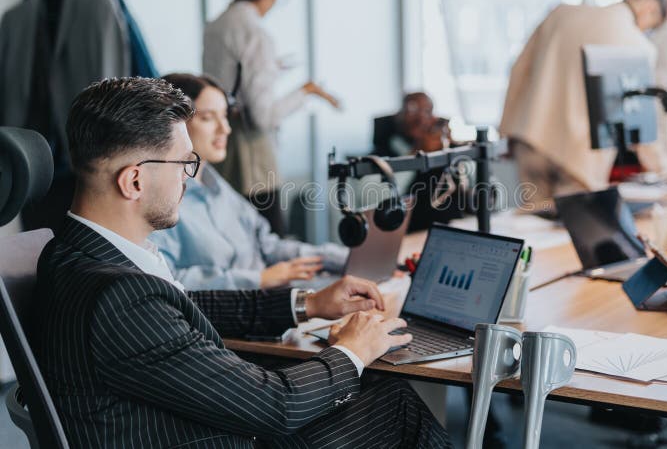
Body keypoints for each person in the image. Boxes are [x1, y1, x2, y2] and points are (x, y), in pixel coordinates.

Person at [30, 76, 452, 448]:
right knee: (395, 404)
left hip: (189, 423)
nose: (190, 177)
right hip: (218, 436)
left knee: (374, 393)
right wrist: (353, 350)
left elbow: (185, 311)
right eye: (184, 164)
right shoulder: (119, 296)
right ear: (134, 180)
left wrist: (306, 304)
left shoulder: (72, 252)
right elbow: (276, 407)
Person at [150, 73, 347, 290]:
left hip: (274, 297)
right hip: (243, 311)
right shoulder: (161, 203)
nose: (225, 129)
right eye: (208, 117)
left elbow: (268, 246)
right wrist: (260, 279)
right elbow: (168, 280)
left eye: (224, 116)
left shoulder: (219, 189)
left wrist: (342, 259)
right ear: (174, 125)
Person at [203, 0, 339, 237]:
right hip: (252, 163)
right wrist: (305, 92)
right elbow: (263, 116)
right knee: (269, 249)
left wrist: (270, 68)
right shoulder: (256, 33)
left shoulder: (217, 24)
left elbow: (226, 80)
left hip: (221, 153)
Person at [499, 0, 667, 212]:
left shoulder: (560, 14)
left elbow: (519, 69)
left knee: (535, 228)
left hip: (532, 138)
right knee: (573, 234)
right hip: (579, 154)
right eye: (651, 26)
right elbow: (639, 116)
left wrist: (506, 130)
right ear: (649, 9)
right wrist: (661, 168)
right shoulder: (638, 45)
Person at [372, 92, 467, 232]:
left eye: (427, 111)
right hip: (409, 233)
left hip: (451, 230)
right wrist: (417, 154)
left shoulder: (442, 147)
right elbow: (379, 200)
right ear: (398, 116)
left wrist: (451, 152)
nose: (421, 118)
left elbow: (473, 191)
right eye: (413, 109)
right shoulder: (382, 153)